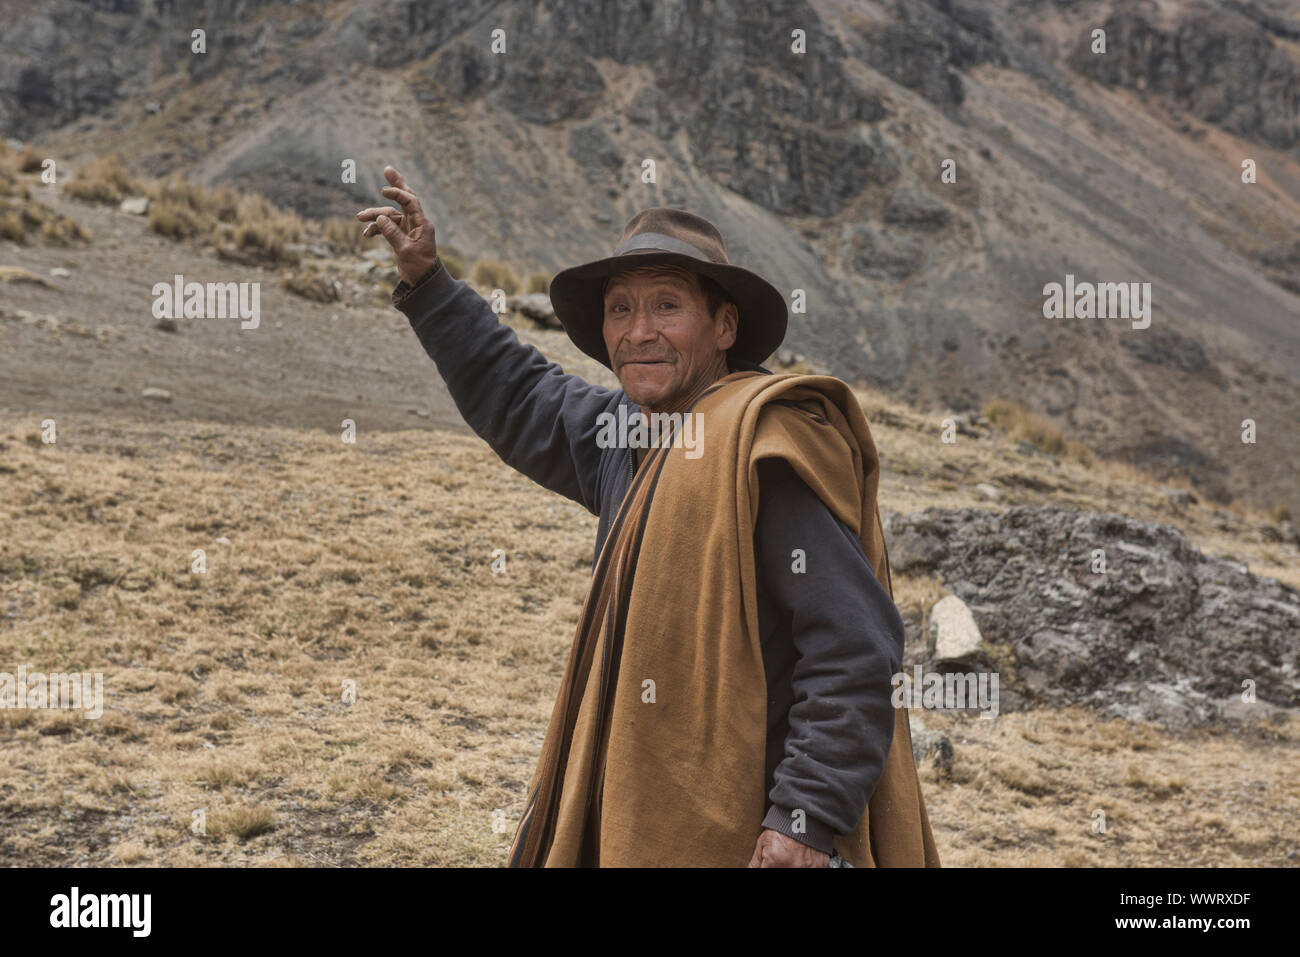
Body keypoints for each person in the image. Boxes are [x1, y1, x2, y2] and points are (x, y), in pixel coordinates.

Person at [357, 167, 940, 868]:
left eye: (667, 306)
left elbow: (853, 645)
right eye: (621, 309)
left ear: (725, 325)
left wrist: (803, 815)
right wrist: (429, 284)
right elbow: (518, 394)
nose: (639, 332)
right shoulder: (626, 434)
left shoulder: (763, 448)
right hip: (643, 813)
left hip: (751, 829)